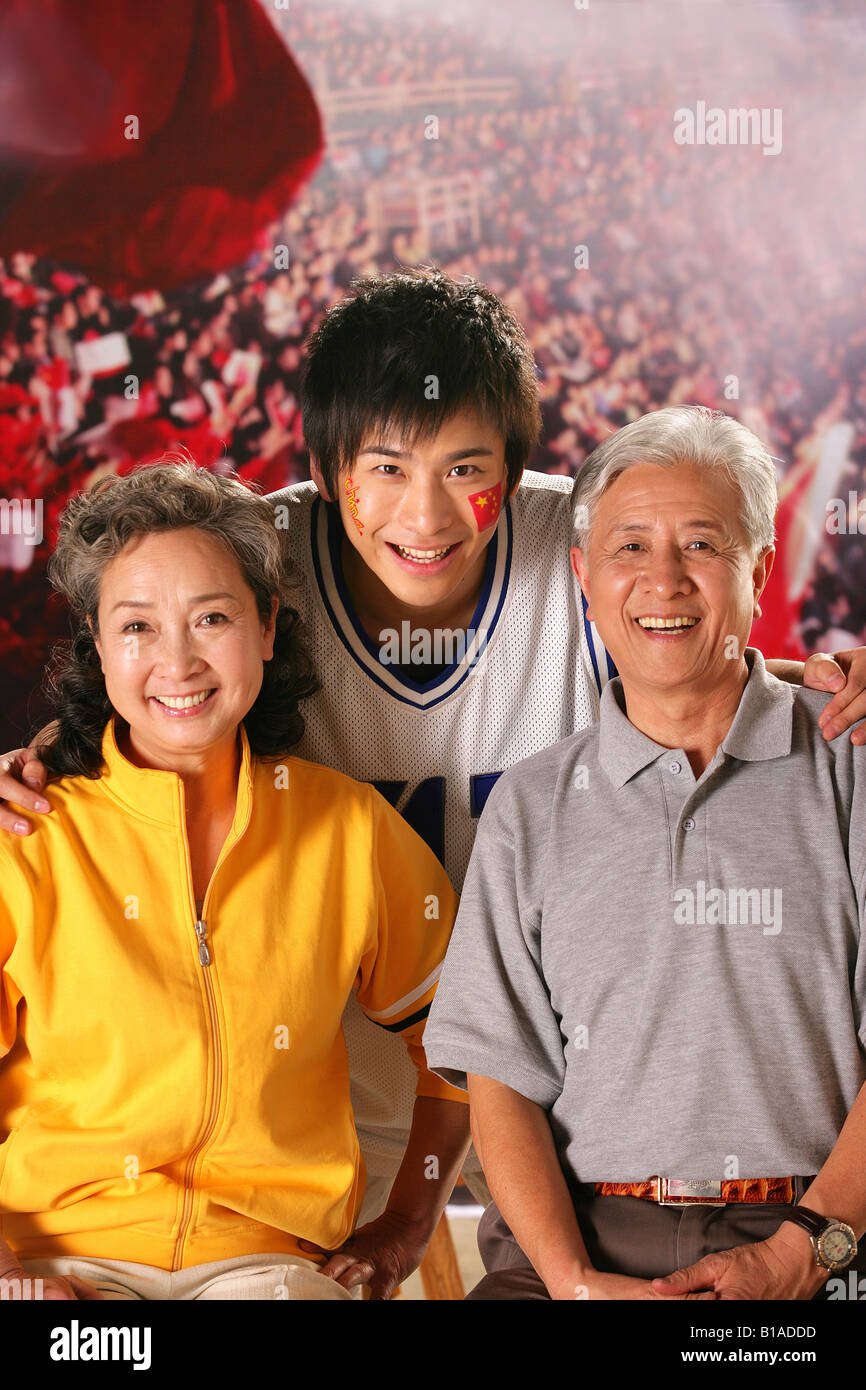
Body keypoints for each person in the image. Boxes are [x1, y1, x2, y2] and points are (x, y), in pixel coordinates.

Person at [4, 270, 866, 1224]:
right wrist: (44, 758)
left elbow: (692, 643)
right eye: (385, 470)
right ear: (329, 473)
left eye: (465, 471)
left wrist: (821, 673)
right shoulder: (259, 557)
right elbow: (153, 677)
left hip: (568, 1103)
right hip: (329, 1110)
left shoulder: (581, 540)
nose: (425, 517)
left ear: (516, 471)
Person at [424, 404, 866, 1300]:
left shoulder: (851, 762)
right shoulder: (532, 803)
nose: (662, 581)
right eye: (630, 548)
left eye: (701, 545)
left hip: (814, 1234)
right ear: (586, 575)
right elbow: (500, 1076)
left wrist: (805, 1250)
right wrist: (575, 1284)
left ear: (760, 569)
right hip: (582, 1244)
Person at [0, 461, 469, 1302]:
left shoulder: (350, 831)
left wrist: (403, 1229)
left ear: (265, 627)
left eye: (211, 617)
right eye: (137, 627)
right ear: (98, 647)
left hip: (268, 1268)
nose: (176, 662)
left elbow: (469, 1049)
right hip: (53, 1258)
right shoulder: (26, 834)